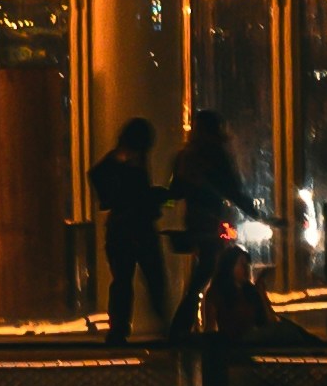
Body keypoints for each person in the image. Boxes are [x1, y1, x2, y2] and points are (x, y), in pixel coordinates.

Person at [88, 120, 174, 344]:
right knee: (150, 278)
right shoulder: (127, 160)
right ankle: (161, 325)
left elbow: (99, 178)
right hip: (136, 228)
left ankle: (119, 329)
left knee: (123, 281)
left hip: (121, 229)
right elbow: (134, 193)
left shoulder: (121, 159)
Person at [168, 113, 253, 337]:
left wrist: (163, 204)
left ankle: (189, 325)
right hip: (213, 222)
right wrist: (256, 213)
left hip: (195, 221)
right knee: (211, 271)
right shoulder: (216, 155)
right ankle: (187, 327)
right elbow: (233, 190)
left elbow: (174, 192)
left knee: (204, 273)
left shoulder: (185, 156)